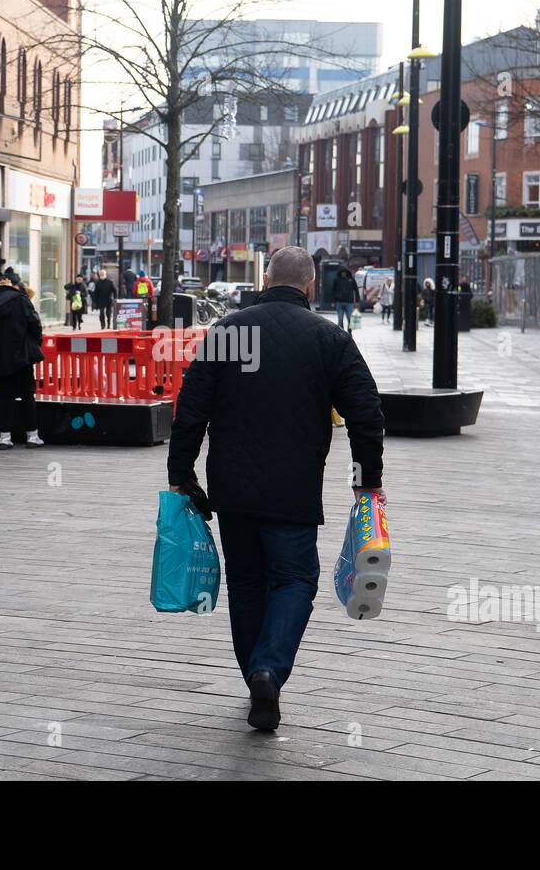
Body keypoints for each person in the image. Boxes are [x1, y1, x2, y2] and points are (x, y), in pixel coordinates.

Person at [167, 246, 385, 732]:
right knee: (293, 581)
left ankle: (256, 679)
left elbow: (190, 410)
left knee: (245, 583)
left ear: (266, 278)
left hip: (232, 491)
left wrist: (180, 473)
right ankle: (269, 669)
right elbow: (366, 414)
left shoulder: (226, 331)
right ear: (309, 285)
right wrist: (366, 480)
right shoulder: (330, 339)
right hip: (293, 491)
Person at [0, 267, 45, 450]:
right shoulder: (19, 299)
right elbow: (34, 323)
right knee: (27, 395)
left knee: (6, 396)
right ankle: (32, 436)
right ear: (5, 282)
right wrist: (34, 343)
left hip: (0, 357)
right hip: (22, 355)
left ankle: (4, 438)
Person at [331, 266, 359, 332]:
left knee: (350, 318)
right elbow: (333, 290)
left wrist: (357, 300)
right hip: (339, 302)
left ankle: (350, 331)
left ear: (347, 272)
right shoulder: (336, 279)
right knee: (340, 320)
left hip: (349, 303)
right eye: (342, 272)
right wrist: (333, 300)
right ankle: (342, 334)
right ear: (340, 273)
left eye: (344, 272)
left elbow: (356, 289)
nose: (343, 274)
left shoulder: (351, 279)